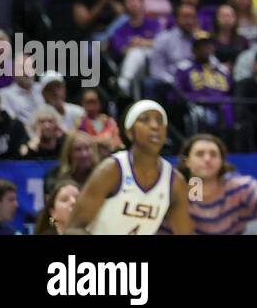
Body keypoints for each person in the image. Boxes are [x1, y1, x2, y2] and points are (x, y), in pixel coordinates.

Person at [66, 100, 194, 234]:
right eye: (144, 120)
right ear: (129, 133)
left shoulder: (175, 182)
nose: (155, 126)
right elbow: (72, 228)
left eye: (160, 120)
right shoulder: (111, 169)